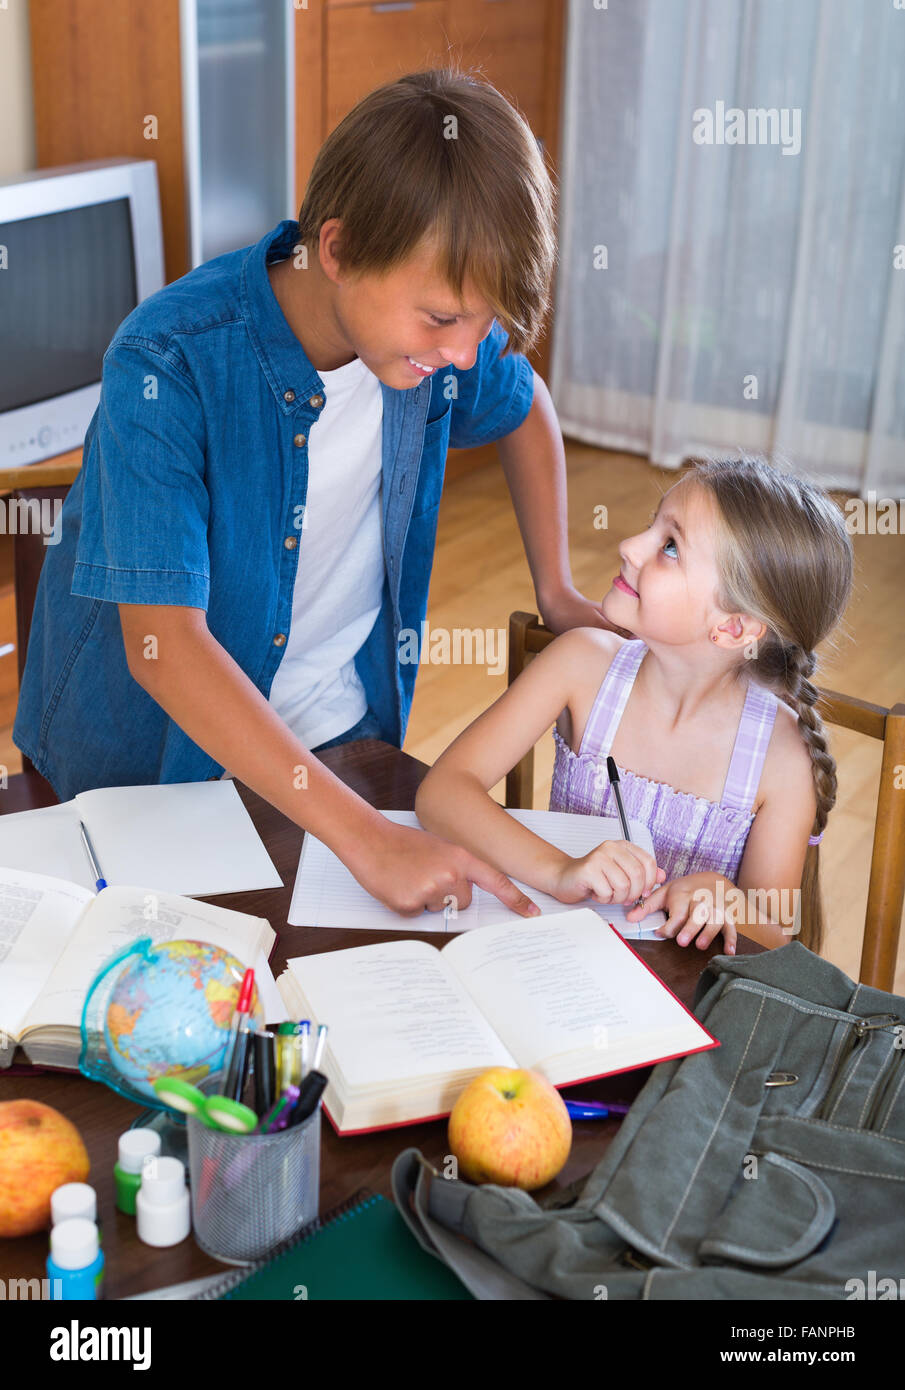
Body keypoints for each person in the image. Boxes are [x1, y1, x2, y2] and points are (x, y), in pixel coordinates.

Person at [14, 69, 614, 921]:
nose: (466, 352)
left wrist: (554, 584)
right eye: (444, 318)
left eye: (486, 325)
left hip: (337, 741)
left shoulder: (431, 349)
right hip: (143, 772)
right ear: (335, 251)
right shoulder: (169, 360)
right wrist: (365, 836)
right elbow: (162, 646)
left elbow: (522, 404)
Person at [415, 456, 854, 952]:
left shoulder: (780, 758)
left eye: (670, 547)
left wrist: (726, 899)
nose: (628, 546)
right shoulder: (581, 663)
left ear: (733, 627)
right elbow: (442, 794)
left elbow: (777, 944)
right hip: (555, 960)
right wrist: (560, 870)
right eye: (653, 525)